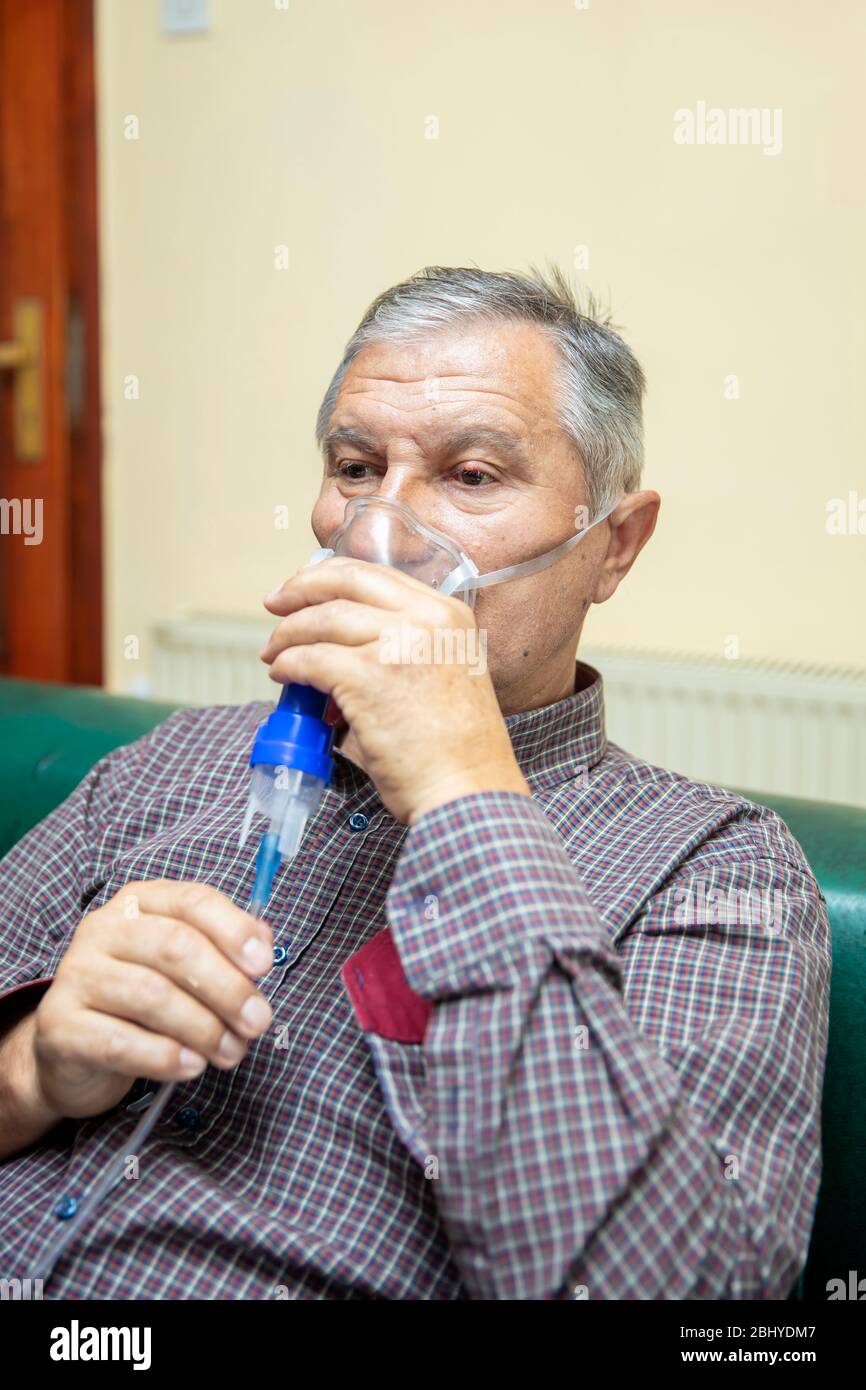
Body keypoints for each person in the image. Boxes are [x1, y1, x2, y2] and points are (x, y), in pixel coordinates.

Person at [0, 266, 830, 1299]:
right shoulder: (160, 768)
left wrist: (463, 789)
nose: (382, 534)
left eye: (471, 475)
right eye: (355, 467)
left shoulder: (711, 870)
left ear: (611, 545)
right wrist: (31, 1070)